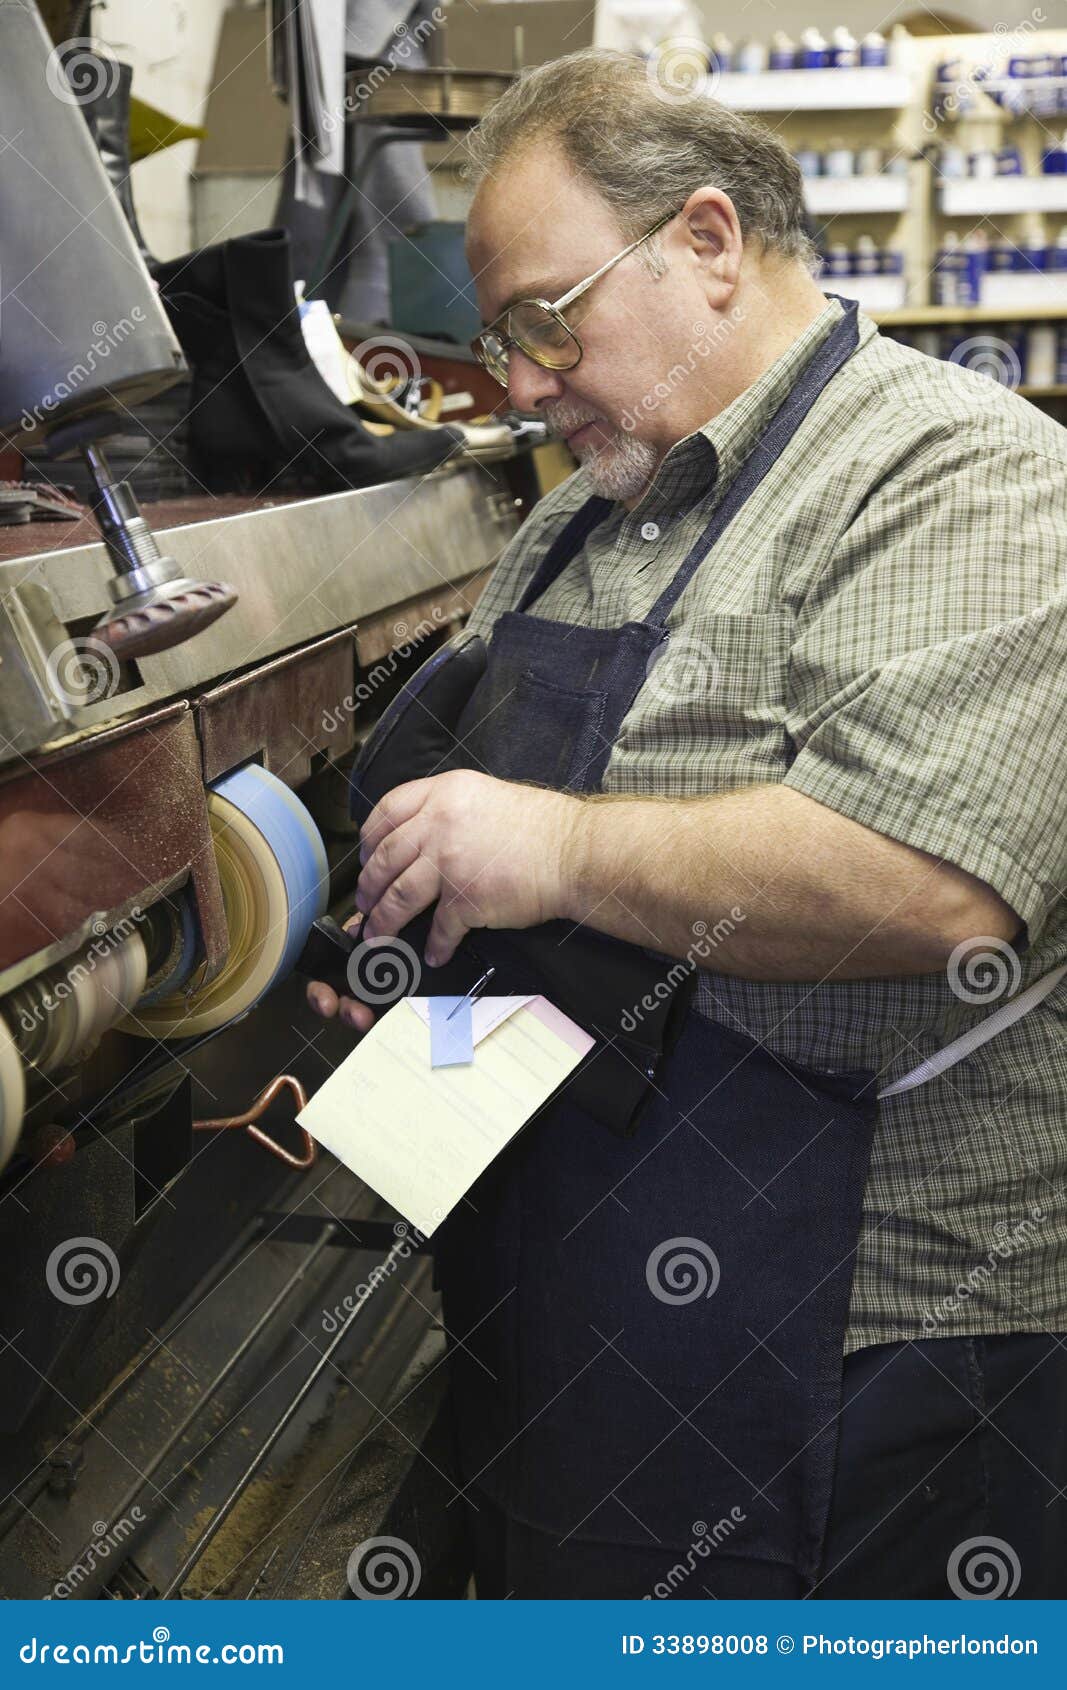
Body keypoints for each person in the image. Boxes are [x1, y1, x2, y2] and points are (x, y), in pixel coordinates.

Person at [308, 49, 1067, 1598]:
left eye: (542, 320)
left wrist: (554, 846)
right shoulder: (577, 524)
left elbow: (932, 889)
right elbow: (536, 926)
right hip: (573, 1321)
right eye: (496, 335)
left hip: (867, 1361)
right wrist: (398, 1019)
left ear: (708, 243)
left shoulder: (957, 473)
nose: (518, 381)